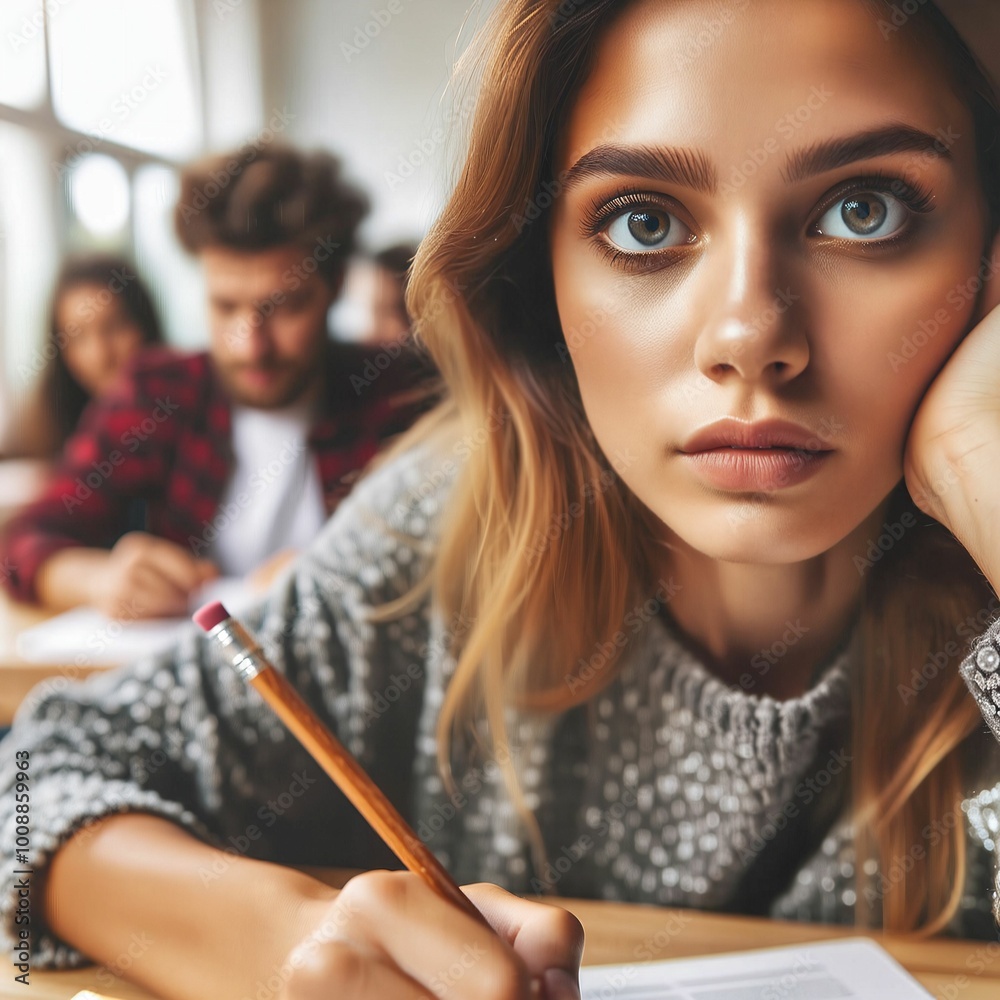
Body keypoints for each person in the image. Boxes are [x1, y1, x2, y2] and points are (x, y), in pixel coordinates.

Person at [3, 1, 1000, 997]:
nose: (747, 334)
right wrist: (278, 942)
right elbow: (24, 782)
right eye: (642, 221)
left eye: (865, 207)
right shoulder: (436, 531)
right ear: (539, 280)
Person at [0, 144, 435, 619]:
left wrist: (345, 570)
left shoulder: (400, 392)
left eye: (285, 307)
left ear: (332, 288)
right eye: (225, 306)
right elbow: (24, 544)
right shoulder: (158, 392)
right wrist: (99, 579)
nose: (250, 345)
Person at [6, 255, 165, 460]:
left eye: (114, 327)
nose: (100, 355)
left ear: (144, 325)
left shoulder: (183, 413)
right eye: (77, 337)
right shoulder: (43, 431)